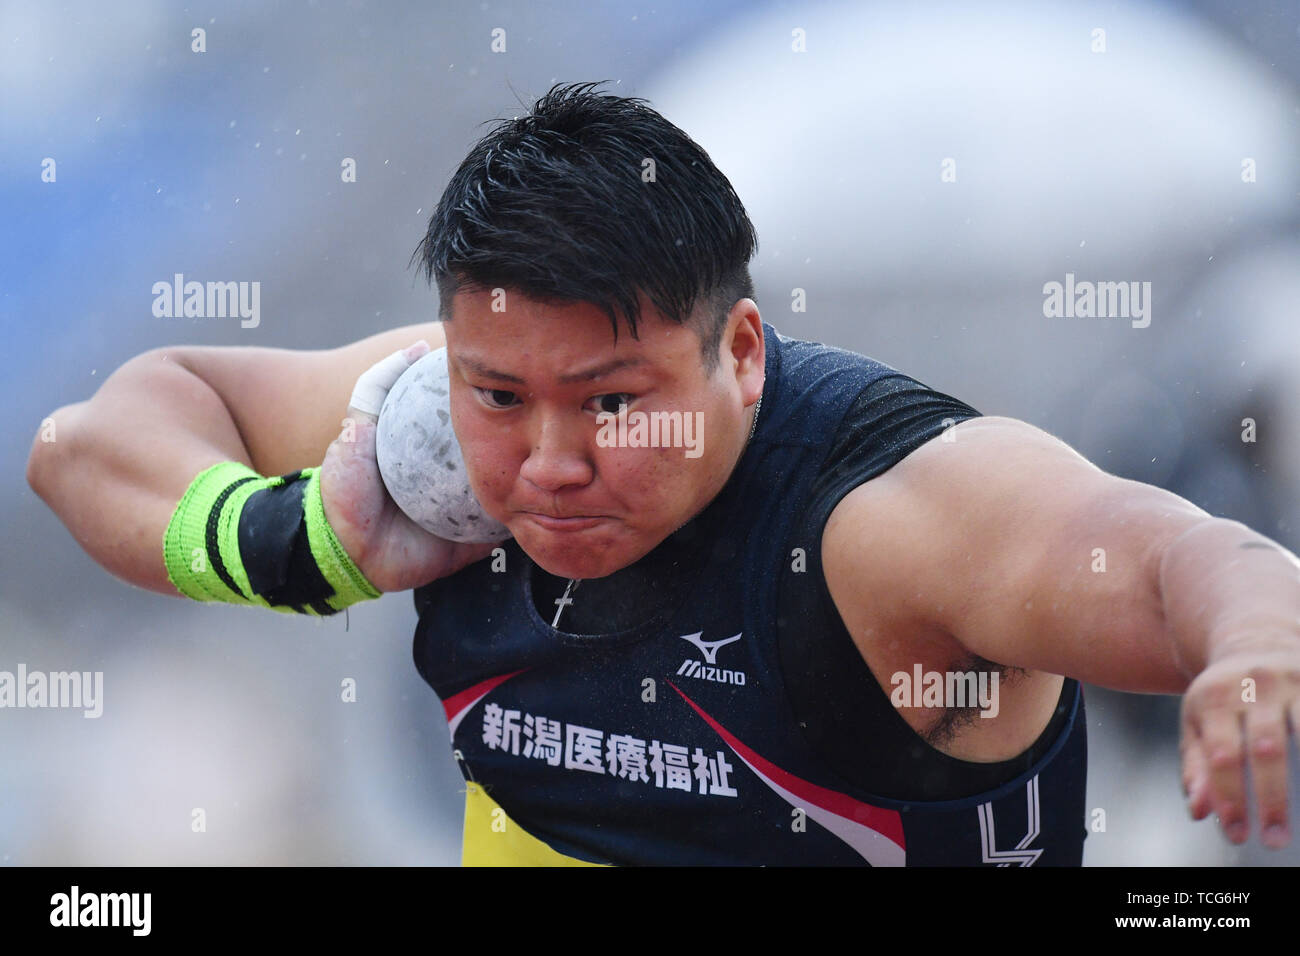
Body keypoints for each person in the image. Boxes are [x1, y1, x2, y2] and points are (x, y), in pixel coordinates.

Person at [27, 82, 1300, 865]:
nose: (548, 465)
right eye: (501, 394)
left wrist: (1251, 652)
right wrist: (299, 543)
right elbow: (86, 444)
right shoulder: (425, 429)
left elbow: (1192, 559)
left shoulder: (889, 522)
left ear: (739, 354)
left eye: (614, 403)